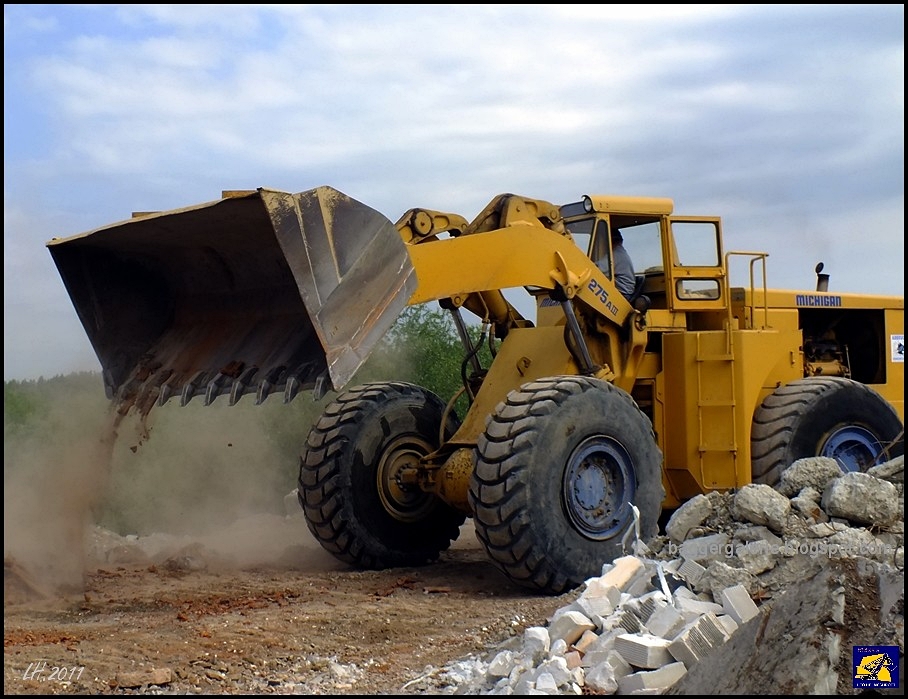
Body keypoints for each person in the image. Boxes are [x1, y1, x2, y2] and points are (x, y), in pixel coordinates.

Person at [610, 229, 637, 300]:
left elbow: (599, 269)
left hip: (622, 293)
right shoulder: (621, 253)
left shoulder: (616, 254)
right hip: (624, 290)